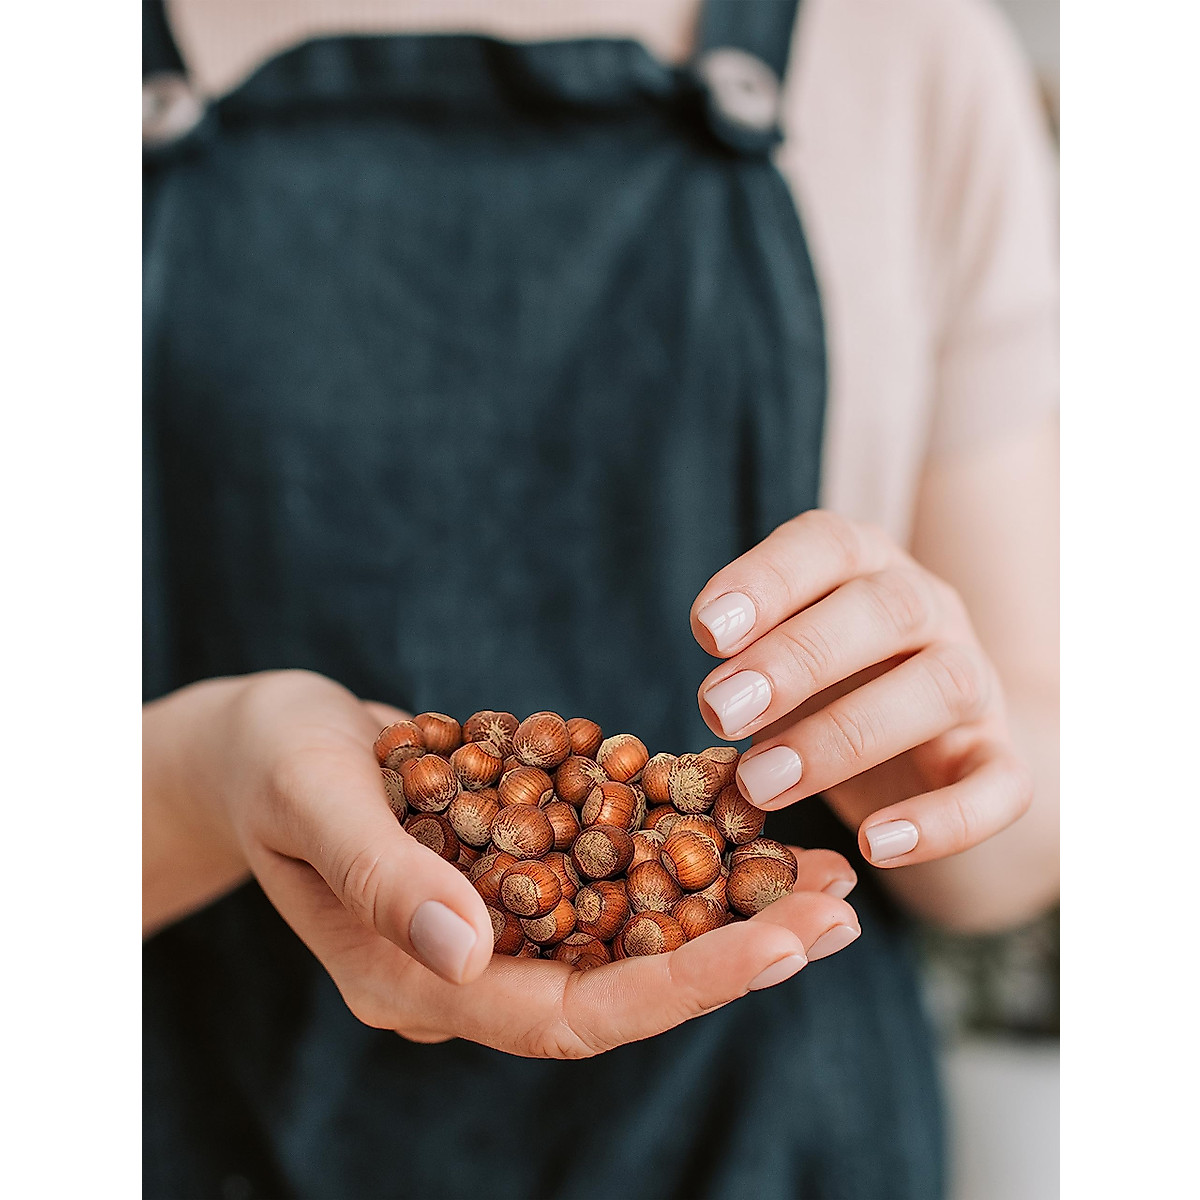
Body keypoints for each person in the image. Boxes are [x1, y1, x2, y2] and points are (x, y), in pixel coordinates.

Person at [143, 0, 1059, 1196]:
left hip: (776, 1139)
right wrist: (199, 783)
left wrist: (934, 769)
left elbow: (1033, 812)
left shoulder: (912, 46)